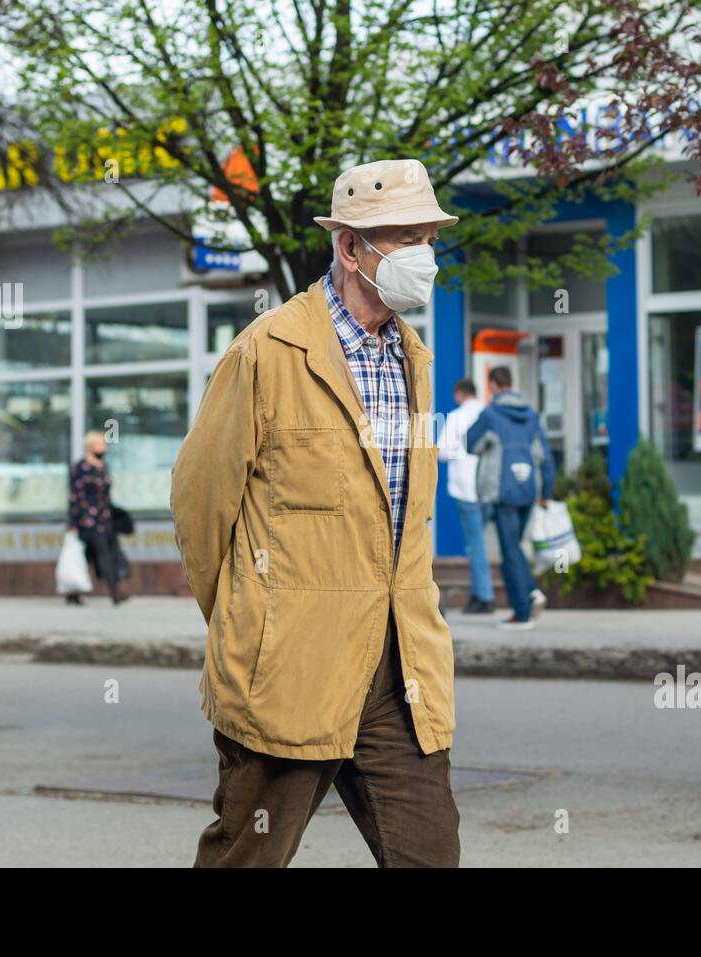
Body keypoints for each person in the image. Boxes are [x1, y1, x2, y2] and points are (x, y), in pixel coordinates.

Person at [171, 158, 460, 868]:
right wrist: (252, 618)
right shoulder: (267, 351)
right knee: (248, 856)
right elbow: (199, 504)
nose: (420, 254)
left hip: (399, 666)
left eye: (427, 236)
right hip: (290, 663)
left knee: (430, 854)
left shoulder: (414, 356)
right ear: (349, 248)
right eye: (400, 237)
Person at [465, 366, 556, 631]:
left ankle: (523, 611)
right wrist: (546, 492)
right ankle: (531, 592)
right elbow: (546, 457)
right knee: (515, 548)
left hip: (502, 491)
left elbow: (470, 443)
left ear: (493, 384)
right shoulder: (531, 415)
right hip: (529, 490)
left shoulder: (491, 414)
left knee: (509, 551)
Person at [439, 378, 494, 613]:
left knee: (475, 544)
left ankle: (484, 595)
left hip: (465, 488)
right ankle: (479, 591)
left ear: (459, 394)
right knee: (480, 543)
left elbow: (442, 452)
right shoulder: (490, 414)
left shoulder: (456, 417)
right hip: (490, 488)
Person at [67, 431, 128, 606]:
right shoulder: (81, 467)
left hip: (105, 519)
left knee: (88, 556)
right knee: (103, 554)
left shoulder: (103, 466)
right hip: (88, 520)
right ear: (91, 446)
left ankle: (73, 592)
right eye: (101, 444)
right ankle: (115, 591)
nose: (104, 447)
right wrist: (73, 522)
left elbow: (107, 495)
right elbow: (75, 496)